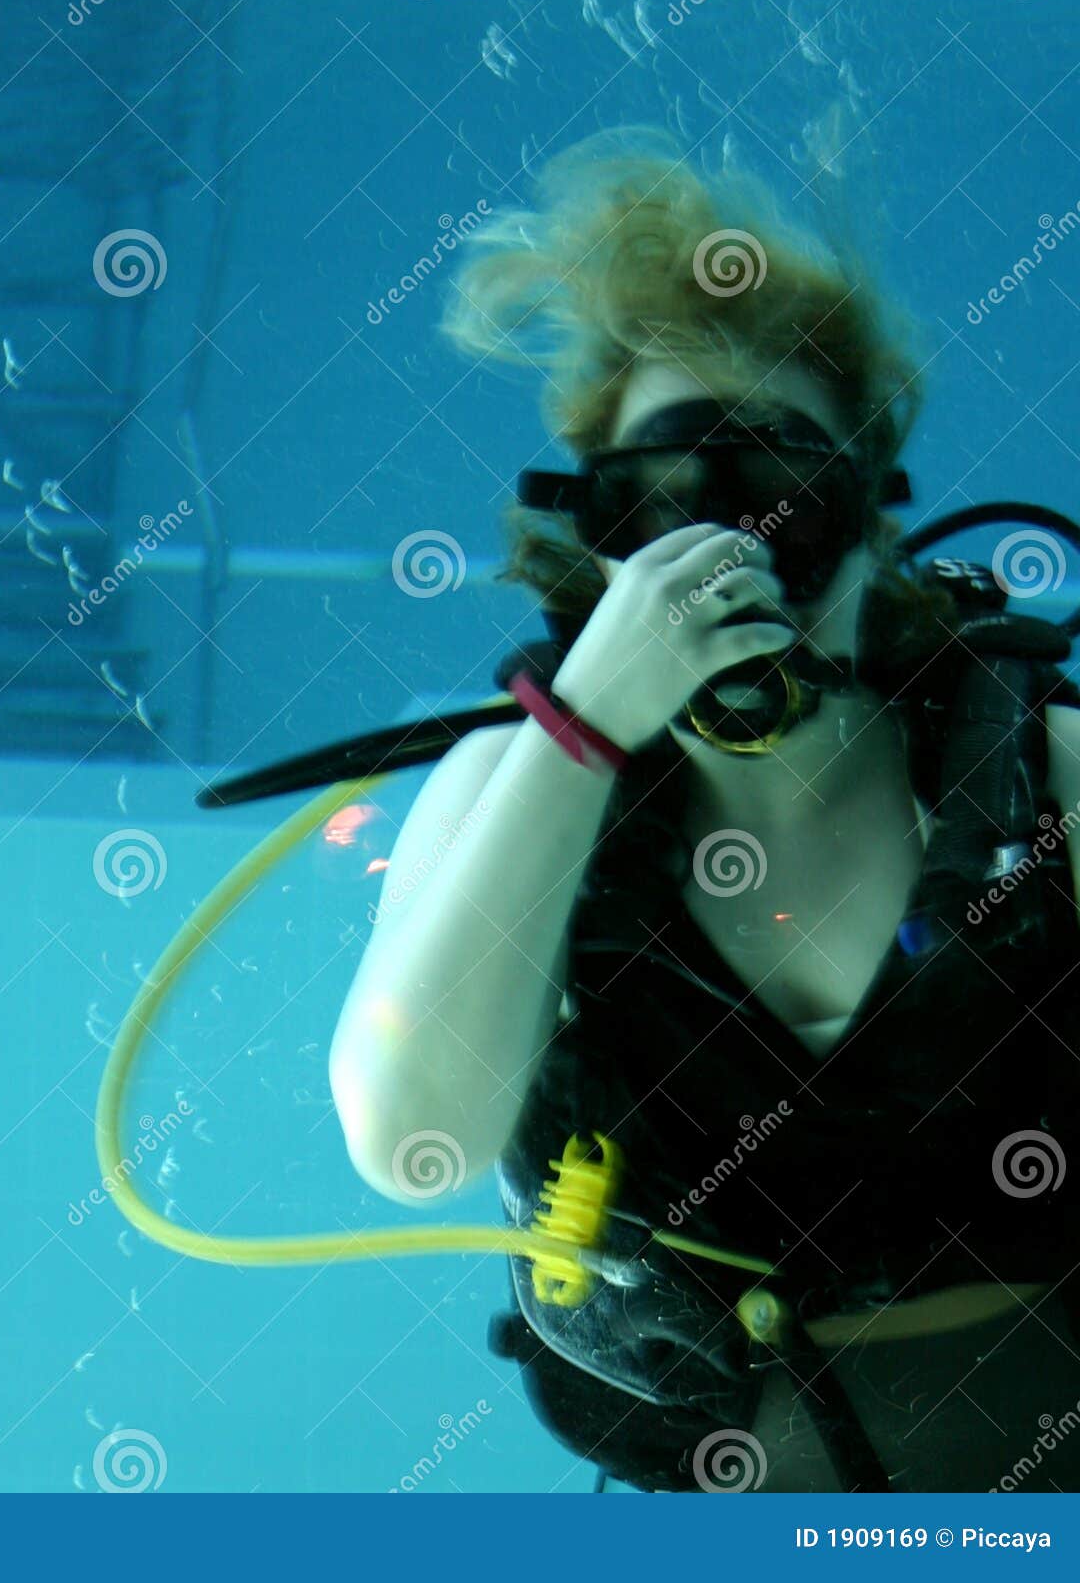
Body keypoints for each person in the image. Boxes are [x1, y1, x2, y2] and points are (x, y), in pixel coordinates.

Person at [329, 132, 1080, 1492]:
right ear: (591, 539)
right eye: (660, 508)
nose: (725, 563)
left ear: (867, 516)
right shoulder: (512, 790)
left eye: (780, 501)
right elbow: (410, 1139)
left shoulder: (1045, 777)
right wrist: (580, 729)